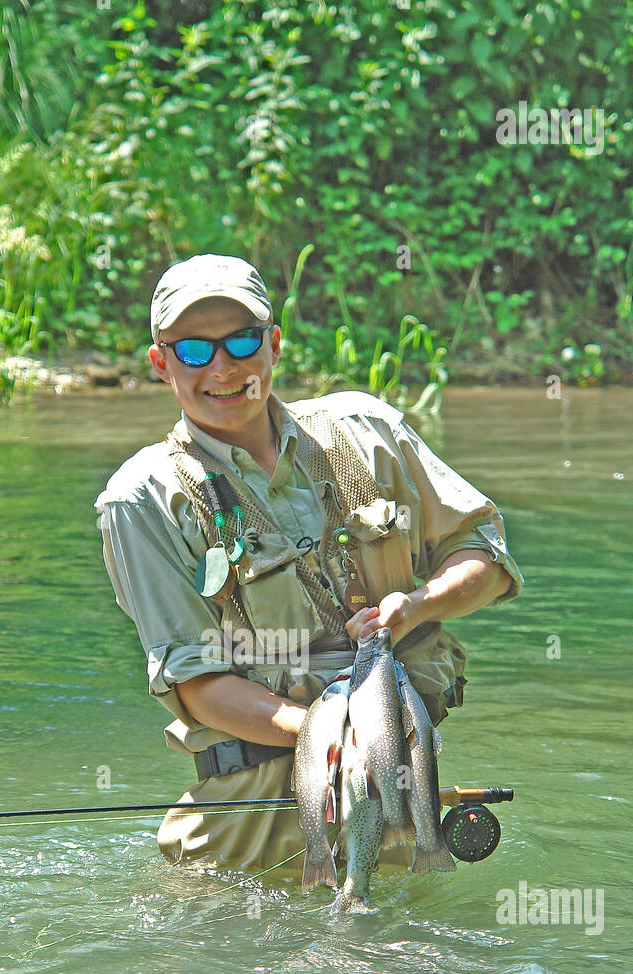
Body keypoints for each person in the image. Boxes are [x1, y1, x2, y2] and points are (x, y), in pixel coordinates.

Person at [95, 254, 523, 874]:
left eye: (242, 342)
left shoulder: (366, 435)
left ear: (273, 344)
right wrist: (336, 738)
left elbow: (484, 553)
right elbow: (199, 687)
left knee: (409, 965)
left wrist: (418, 606)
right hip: (249, 831)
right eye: (194, 350)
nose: (222, 367)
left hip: (402, 801)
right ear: (161, 363)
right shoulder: (141, 500)